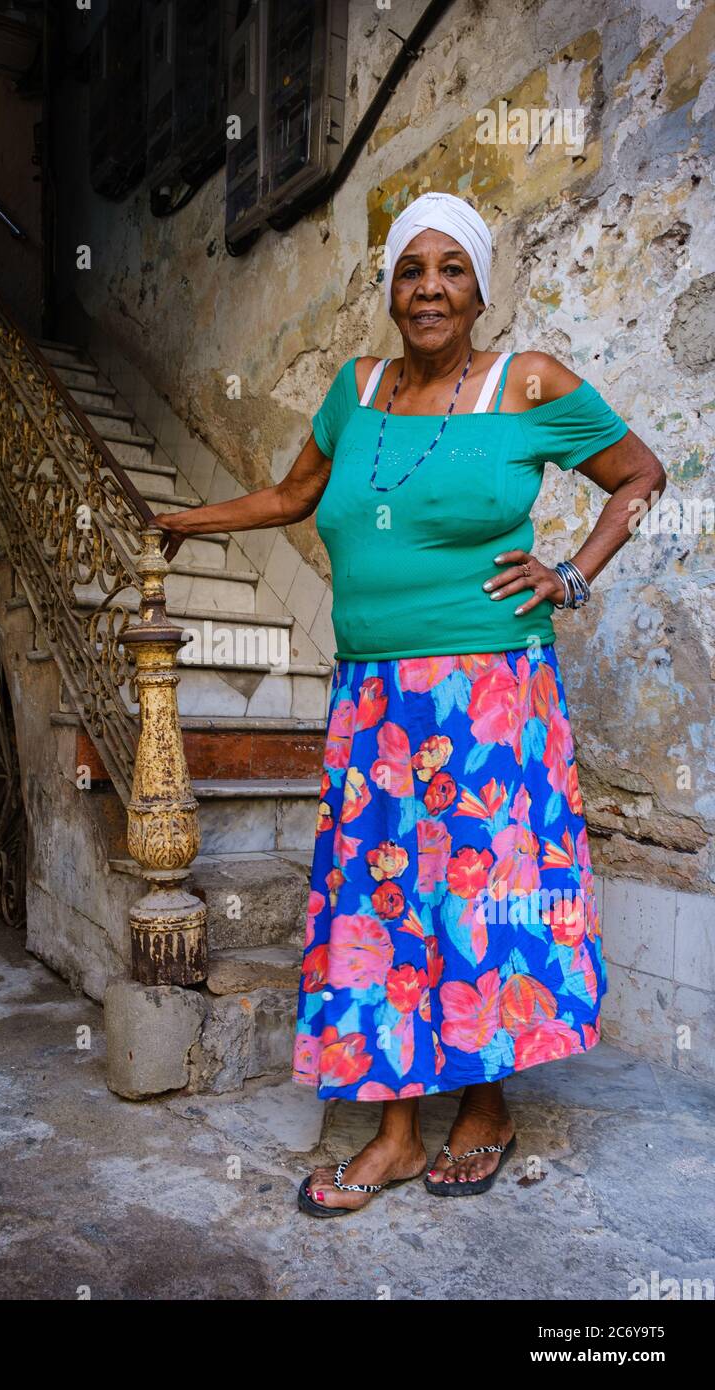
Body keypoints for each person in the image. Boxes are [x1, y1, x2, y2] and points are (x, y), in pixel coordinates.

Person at [151, 190, 666, 1214]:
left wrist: (572, 574)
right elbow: (296, 495)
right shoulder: (355, 389)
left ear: (479, 291)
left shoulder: (528, 384)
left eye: (451, 270)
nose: (428, 287)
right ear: (391, 289)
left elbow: (640, 473)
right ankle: (394, 1129)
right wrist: (187, 517)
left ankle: (485, 1104)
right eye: (410, 270)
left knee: (476, 900)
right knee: (382, 905)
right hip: (375, 699)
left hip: (490, 694)